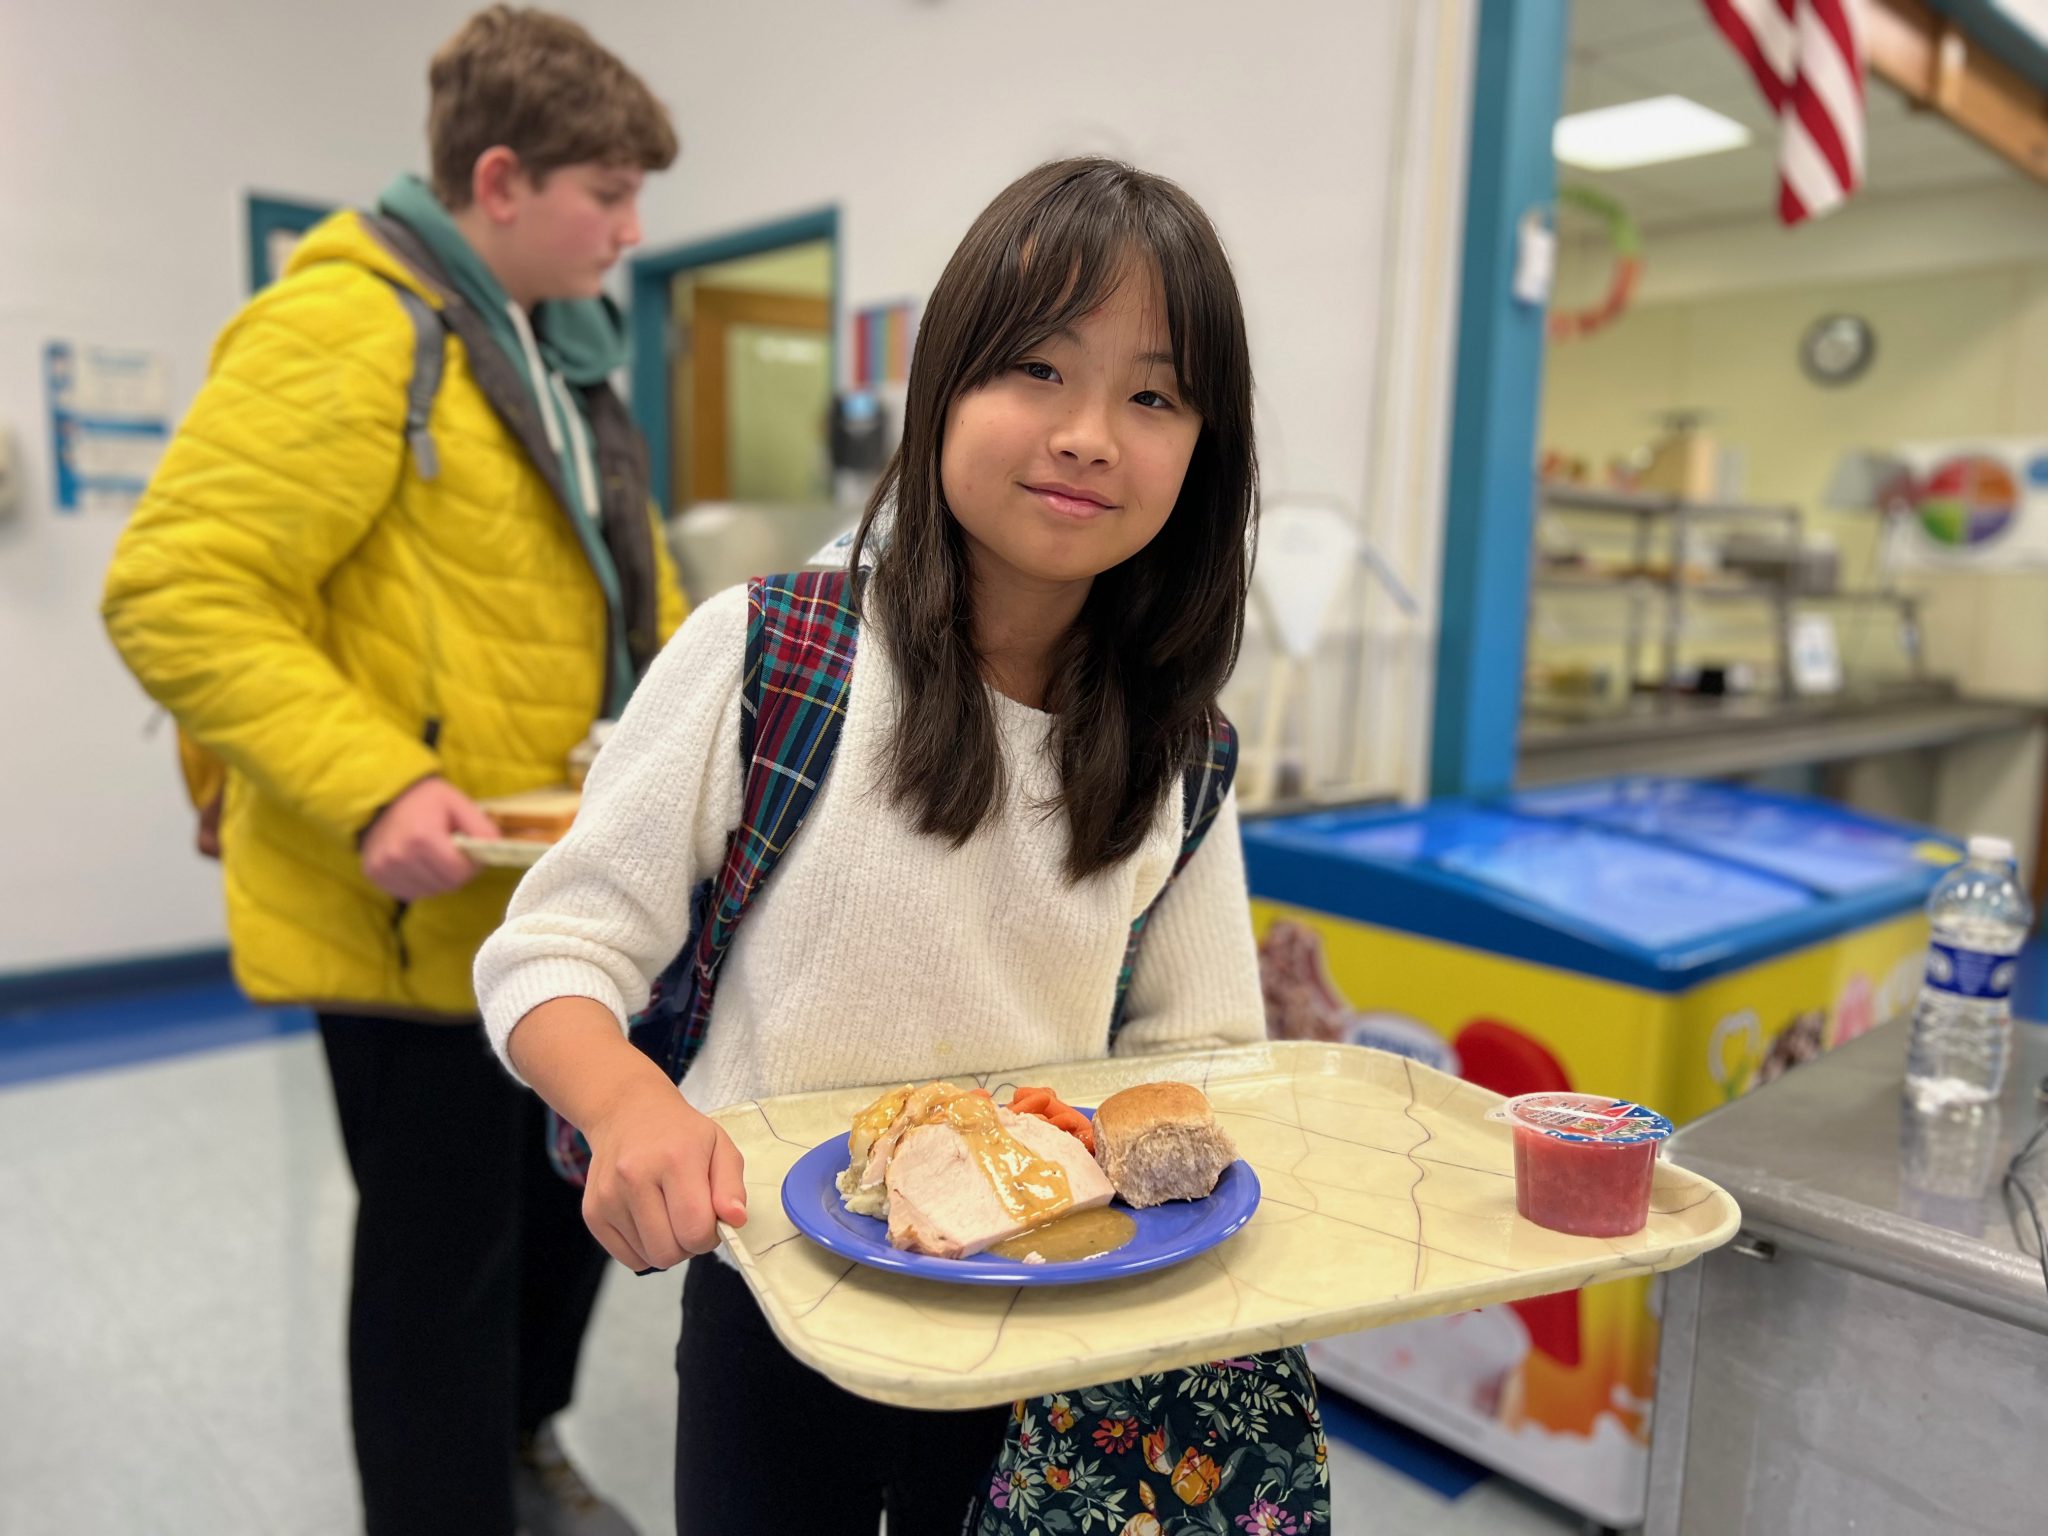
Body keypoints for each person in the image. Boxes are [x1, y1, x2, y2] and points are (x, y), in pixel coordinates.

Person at [475, 157, 1331, 1535]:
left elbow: (1199, 1054)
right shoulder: (772, 651)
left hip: (1049, 1330)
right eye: (1037, 369)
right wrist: (626, 1103)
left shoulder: (1180, 746)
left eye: (1155, 396)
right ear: (941, 390)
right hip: (778, 1304)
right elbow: (552, 950)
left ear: (1204, 450)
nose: (1088, 435)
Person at [101, 9, 684, 1533]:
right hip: (412, 914)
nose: (630, 230)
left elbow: (640, 603)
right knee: (441, 1271)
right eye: (608, 194)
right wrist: (375, 784)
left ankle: (520, 1450)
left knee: (558, 1220)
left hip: (553, 902)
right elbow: (175, 591)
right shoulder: (348, 327)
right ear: (500, 181)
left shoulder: (560, 364)